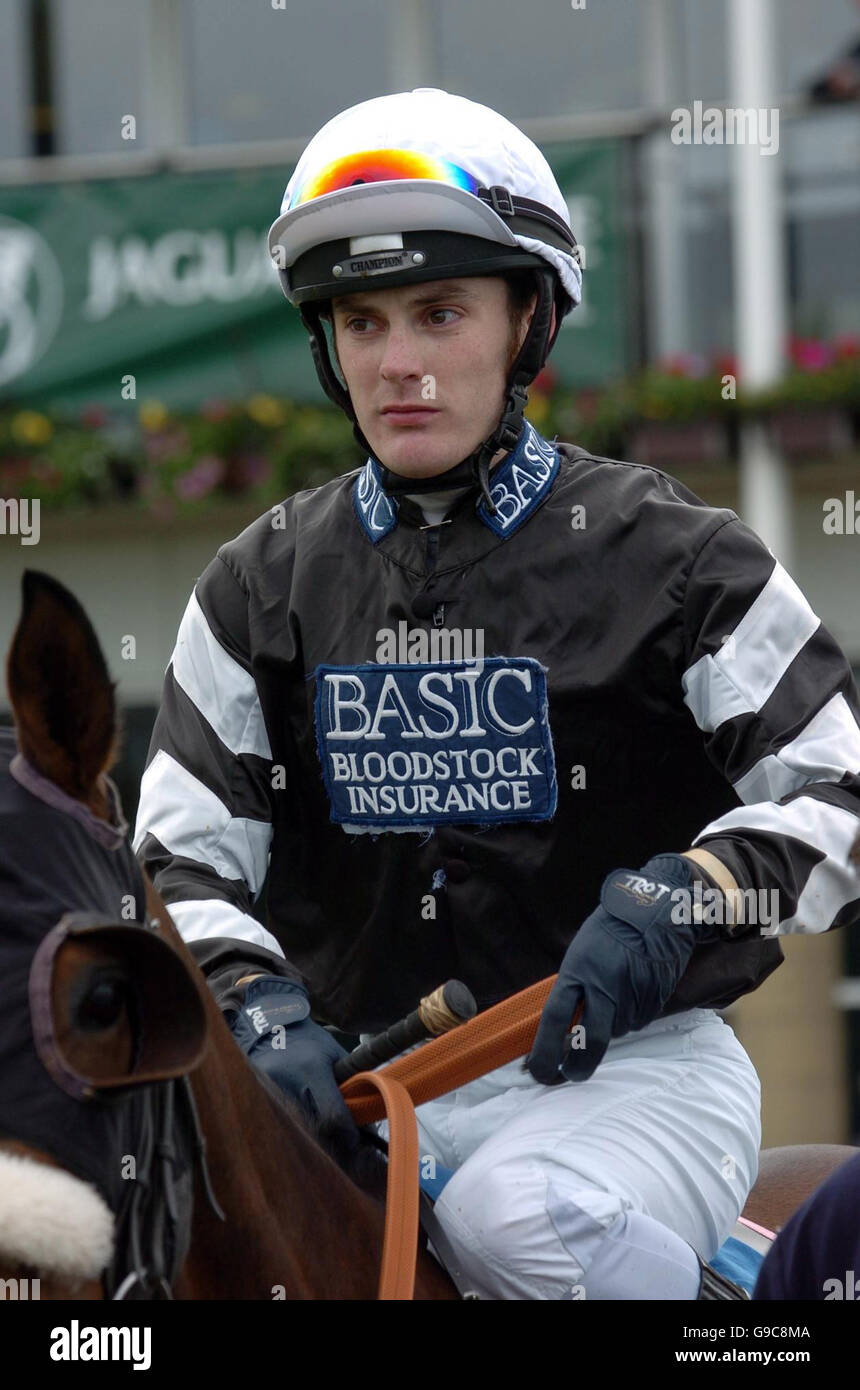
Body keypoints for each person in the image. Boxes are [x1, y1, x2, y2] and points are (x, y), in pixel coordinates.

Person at [133, 88, 860, 1301]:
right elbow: (179, 862)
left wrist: (682, 897)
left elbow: (833, 782)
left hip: (634, 1077)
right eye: (361, 323)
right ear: (326, 349)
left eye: (437, 312)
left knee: (512, 1217)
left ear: (528, 320)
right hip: (359, 1090)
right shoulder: (253, 590)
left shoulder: (676, 556)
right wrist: (256, 1007)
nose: (398, 361)